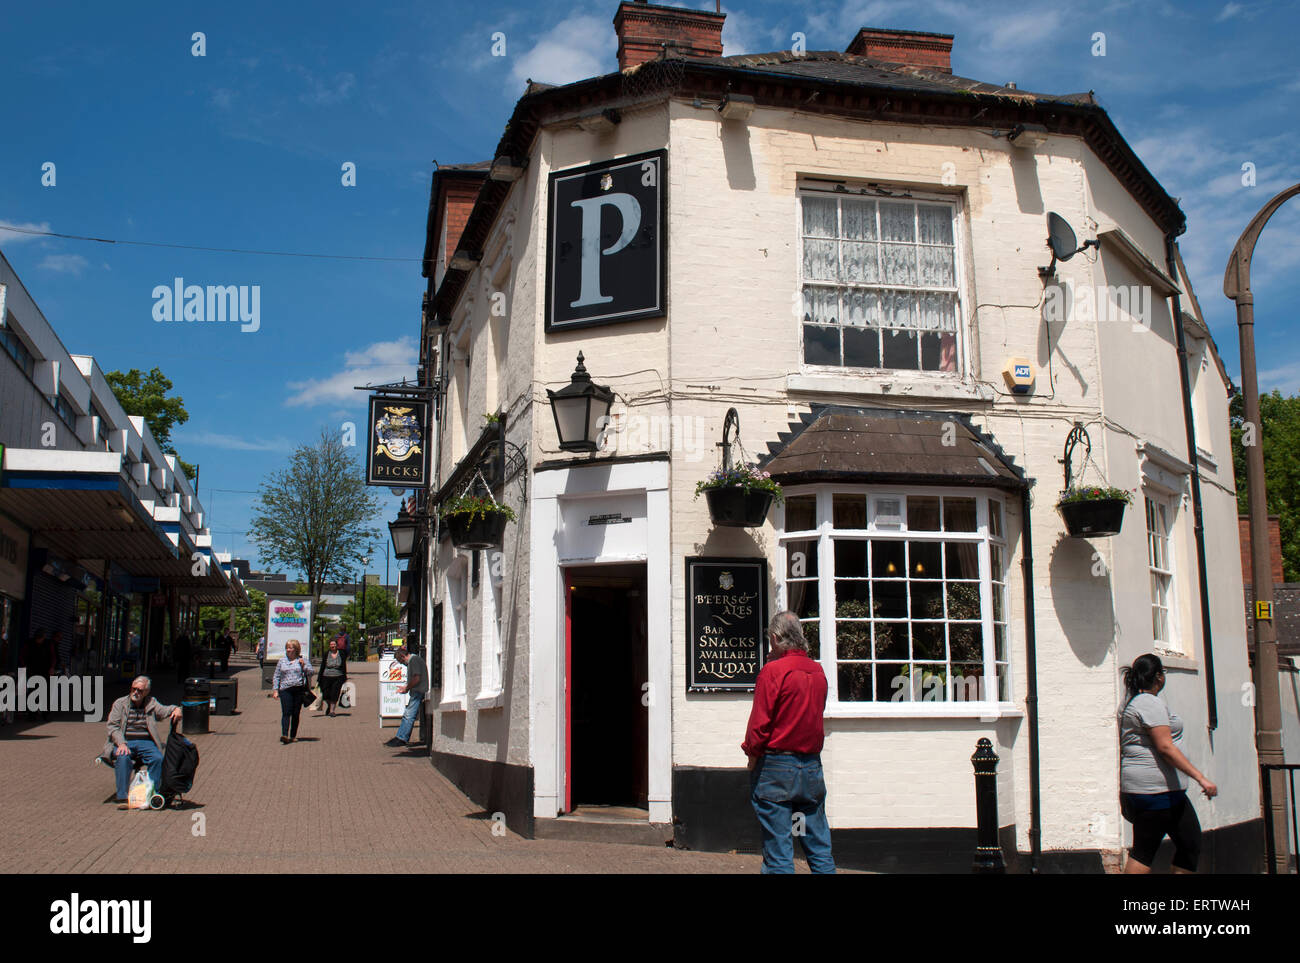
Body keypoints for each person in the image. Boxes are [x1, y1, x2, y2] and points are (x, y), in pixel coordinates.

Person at [741, 611, 834, 874]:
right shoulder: (817, 671)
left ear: (775, 638)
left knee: (778, 851)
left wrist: (752, 754)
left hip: (777, 766)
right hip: (811, 767)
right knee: (818, 846)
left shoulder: (772, 672)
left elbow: (760, 724)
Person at [1119, 654, 1218, 874]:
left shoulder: (1132, 702)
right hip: (1154, 793)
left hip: (1166, 793)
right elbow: (1165, 747)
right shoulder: (1148, 703)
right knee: (1145, 851)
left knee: (1190, 843)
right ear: (1158, 677)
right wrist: (1200, 777)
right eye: (1162, 673)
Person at [99, 675, 182, 808]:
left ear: (146, 692)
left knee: (157, 758)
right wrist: (121, 743)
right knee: (123, 757)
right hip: (125, 741)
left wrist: (176, 709)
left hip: (146, 742)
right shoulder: (120, 703)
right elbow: (112, 726)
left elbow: (164, 710)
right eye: (133, 689)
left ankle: (152, 794)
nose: (136, 692)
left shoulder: (151, 703)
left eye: (140, 690)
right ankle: (122, 797)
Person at [272, 640, 314, 744]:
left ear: (296, 649)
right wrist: (275, 690)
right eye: (287, 648)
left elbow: (311, 672)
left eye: (291, 648)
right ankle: (285, 734)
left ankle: (293, 735)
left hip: (298, 689)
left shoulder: (302, 660)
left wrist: (304, 666)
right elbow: (276, 676)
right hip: (285, 690)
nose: (288, 650)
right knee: (286, 712)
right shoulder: (282, 661)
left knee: (296, 713)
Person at [384, 645, 426, 748]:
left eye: (401, 661)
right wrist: (406, 688)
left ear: (403, 656)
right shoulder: (414, 660)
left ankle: (402, 738)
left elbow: (417, 678)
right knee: (407, 714)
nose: (403, 664)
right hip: (416, 691)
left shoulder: (414, 660)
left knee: (409, 715)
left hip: (418, 692)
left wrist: (406, 688)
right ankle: (400, 736)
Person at [319, 638, 347, 717]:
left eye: (334, 644)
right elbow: (322, 666)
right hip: (326, 676)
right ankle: (329, 705)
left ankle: (332, 710)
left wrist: (345, 676)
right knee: (326, 694)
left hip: (338, 676)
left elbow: (344, 666)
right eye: (331, 645)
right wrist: (319, 678)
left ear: (337, 645)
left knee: (335, 693)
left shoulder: (341, 654)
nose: (332, 646)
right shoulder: (326, 654)